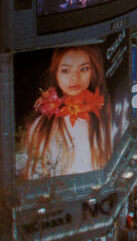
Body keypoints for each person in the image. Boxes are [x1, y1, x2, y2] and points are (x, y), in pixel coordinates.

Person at [17, 46, 113, 180]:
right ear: (56, 73)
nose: (75, 78)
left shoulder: (107, 113)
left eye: (84, 69)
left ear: (93, 71)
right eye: (65, 71)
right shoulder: (42, 126)